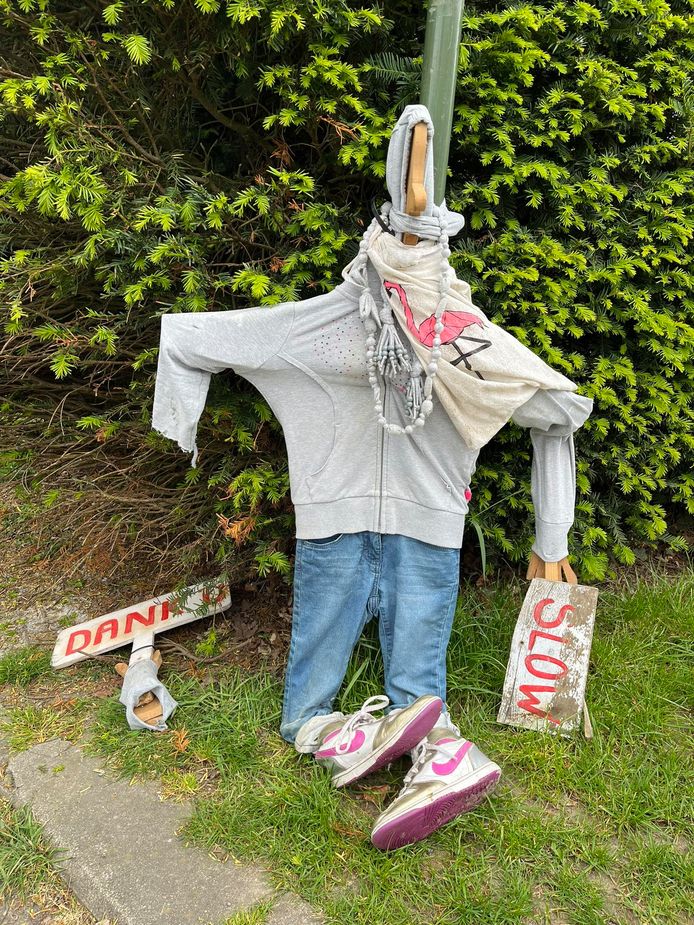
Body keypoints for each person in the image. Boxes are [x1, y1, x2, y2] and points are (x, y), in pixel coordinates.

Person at [151, 105, 592, 850]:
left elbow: (559, 411)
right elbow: (192, 336)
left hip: (412, 533)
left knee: (378, 696)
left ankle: (421, 745)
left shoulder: (460, 337)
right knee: (343, 702)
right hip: (342, 529)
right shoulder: (336, 326)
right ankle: (411, 742)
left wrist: (553, 540)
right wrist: (181, 421)